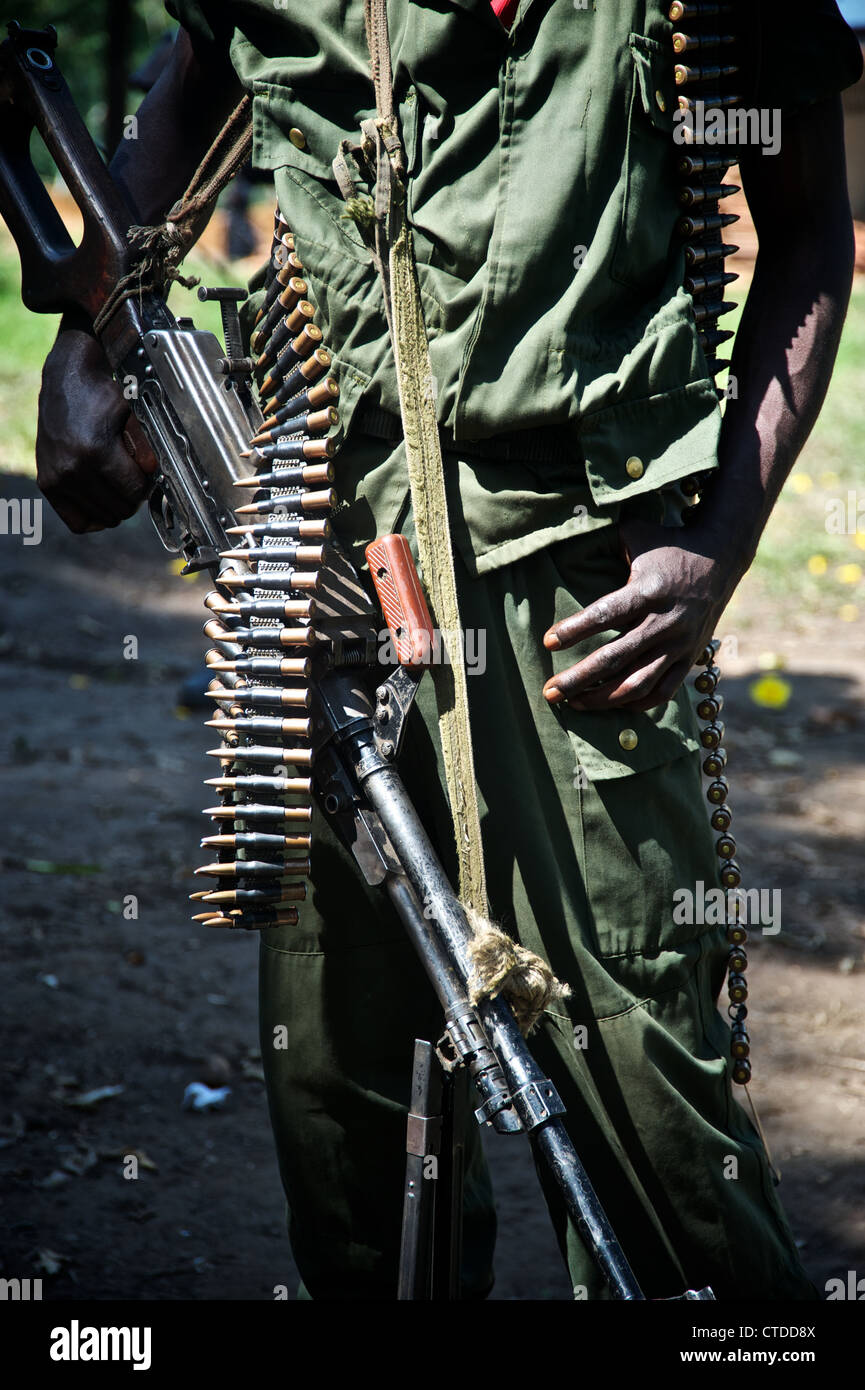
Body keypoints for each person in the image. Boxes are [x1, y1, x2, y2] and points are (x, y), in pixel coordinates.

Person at [34, 1, 863, 1299]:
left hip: (584, 595)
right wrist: (88, 334)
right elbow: (200, 71)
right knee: (345, 1106)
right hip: (320, 558)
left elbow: (807, 227)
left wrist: (722, 541)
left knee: (648, 1105)